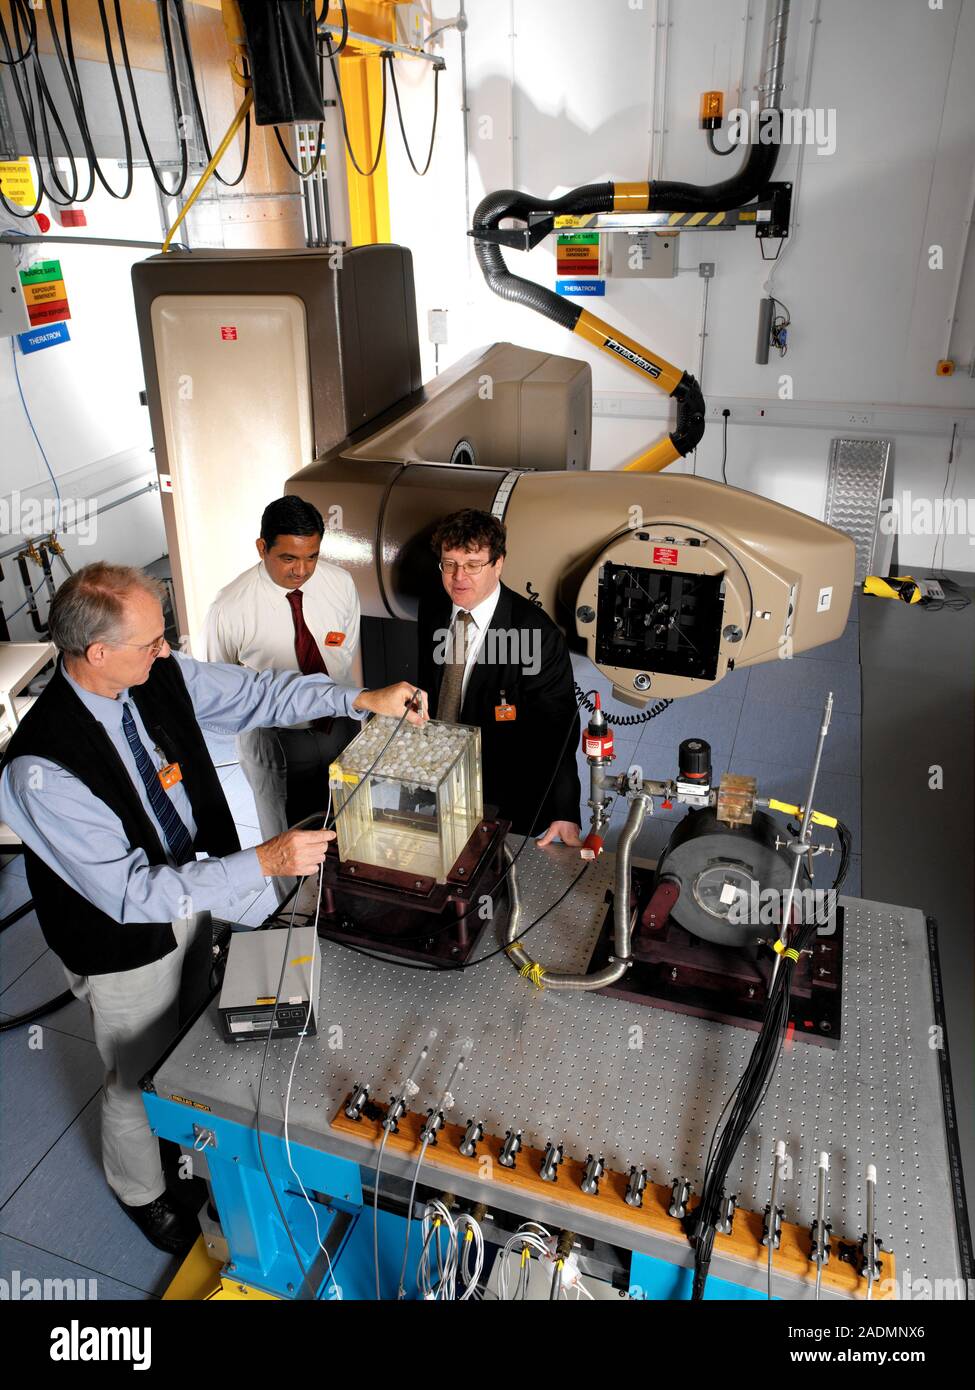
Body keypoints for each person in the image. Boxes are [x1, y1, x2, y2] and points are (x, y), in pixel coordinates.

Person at [0, 563, 426, 1255]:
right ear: (96, 653)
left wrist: (358, 700)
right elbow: (132, 894)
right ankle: (142, 1191)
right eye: (150, 641)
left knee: (197, 1023)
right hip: (123, 940)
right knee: (136, 1073)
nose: (166, 650)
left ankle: (192, 1127)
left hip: (198, 887)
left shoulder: (154, 676)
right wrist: (263, 862)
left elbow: (257, 692)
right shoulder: (43, 769)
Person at [204, 496, 361, 858]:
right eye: (288, 558)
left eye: (312, 556)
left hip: (340, 727)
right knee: (288, 847)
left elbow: (344, 656)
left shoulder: (340, 585)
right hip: (275, 740)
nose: (301, 570)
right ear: (262, 548)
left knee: (350, 829)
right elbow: (222, 688)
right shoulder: (229, 608)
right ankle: (293, 912)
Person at [416, 509, 582, 845]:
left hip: (505, 790)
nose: (458, 577)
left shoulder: (536, 633)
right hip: (439, 781)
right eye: (449, 564)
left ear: (498, 564)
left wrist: (565, 809)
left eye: (473, 565)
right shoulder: (433, 607)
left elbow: (559, 726)